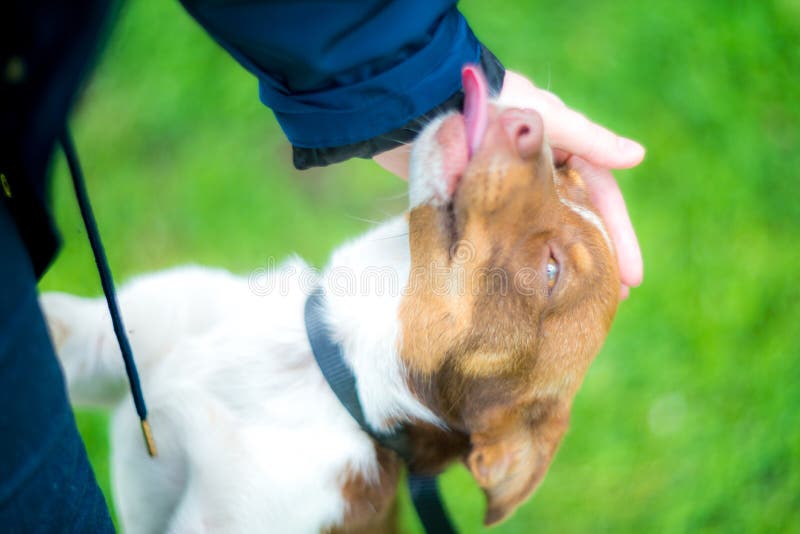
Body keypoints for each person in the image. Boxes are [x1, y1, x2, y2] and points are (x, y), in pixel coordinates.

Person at [0, 1, 643, 530]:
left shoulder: (313, 515)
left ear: (503, 433)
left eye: (552, 269)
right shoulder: (228, 308)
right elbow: (57, 353)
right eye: (563, 181)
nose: (531, 137)